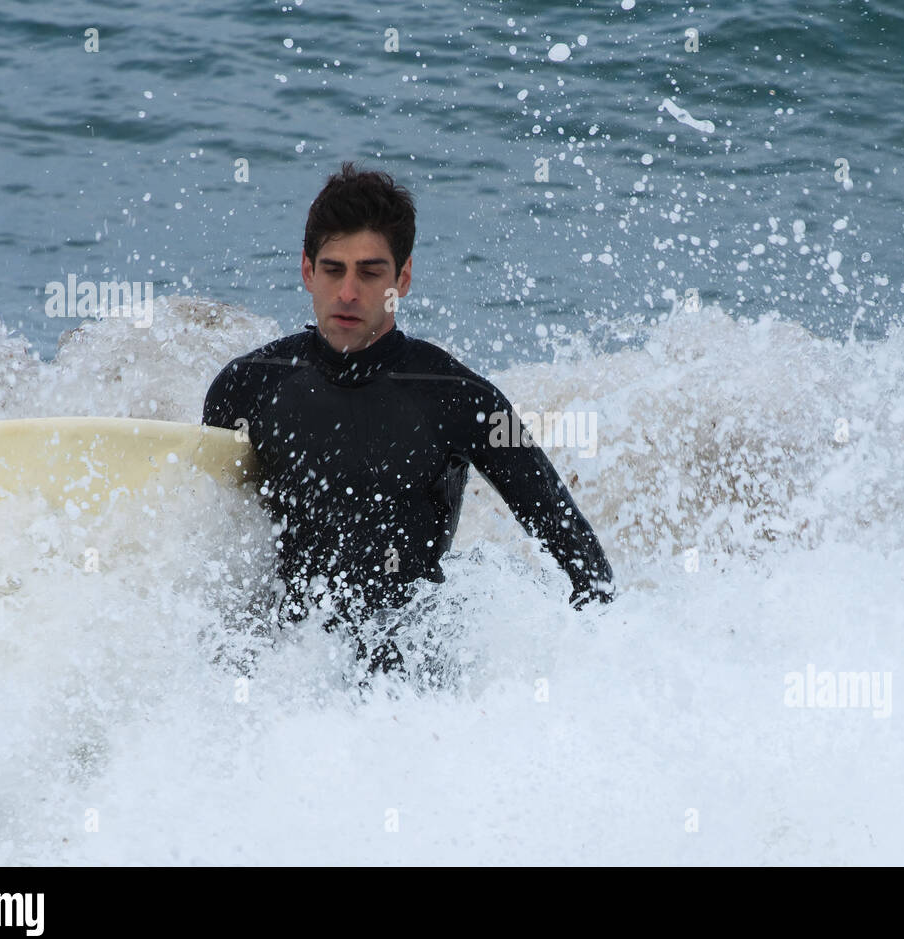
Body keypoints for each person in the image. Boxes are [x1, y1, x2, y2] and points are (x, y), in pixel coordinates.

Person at [202, 162, 615, 679]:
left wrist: (585, 689)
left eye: (370, 273)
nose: (348, 292)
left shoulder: (460, 399)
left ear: (403, 279)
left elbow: (580, 556)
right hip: (283, 684)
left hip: (412, 697)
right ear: (307, 270)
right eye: (333, 269)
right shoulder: (248, 387)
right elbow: (205, 548)